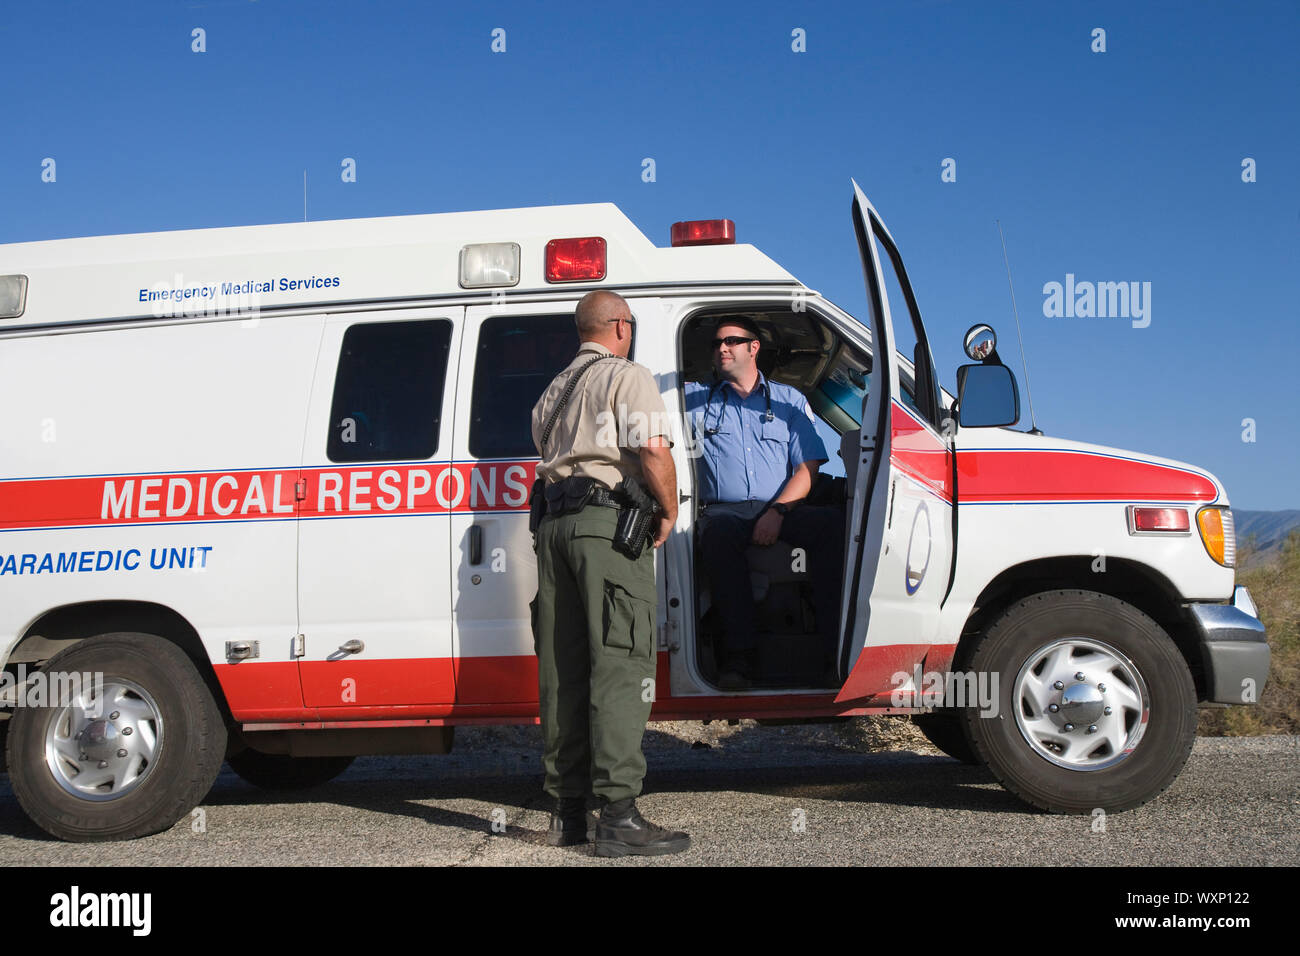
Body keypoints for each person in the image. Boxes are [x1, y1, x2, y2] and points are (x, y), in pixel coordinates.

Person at [529, 289, 690, 857]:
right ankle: (619, 816)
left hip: (551, 532)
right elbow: (651, 450)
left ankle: (569, 815)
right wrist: (669, 508)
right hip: (605, 529)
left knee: (564, 672)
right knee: (621, 665)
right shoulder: (628, 375)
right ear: (621, 326)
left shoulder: (551, 394)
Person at [685, 317, 844, 690]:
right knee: (717, 536)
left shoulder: (791, 401)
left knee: (832, 526)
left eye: (731, 341)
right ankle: (739, 659)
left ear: (753, 347)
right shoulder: (695, 401)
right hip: (725, 513)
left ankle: (834, 653)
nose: (721, 348)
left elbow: (807, 470)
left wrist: (777, 512)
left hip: (782, 508)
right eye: (716, 344)